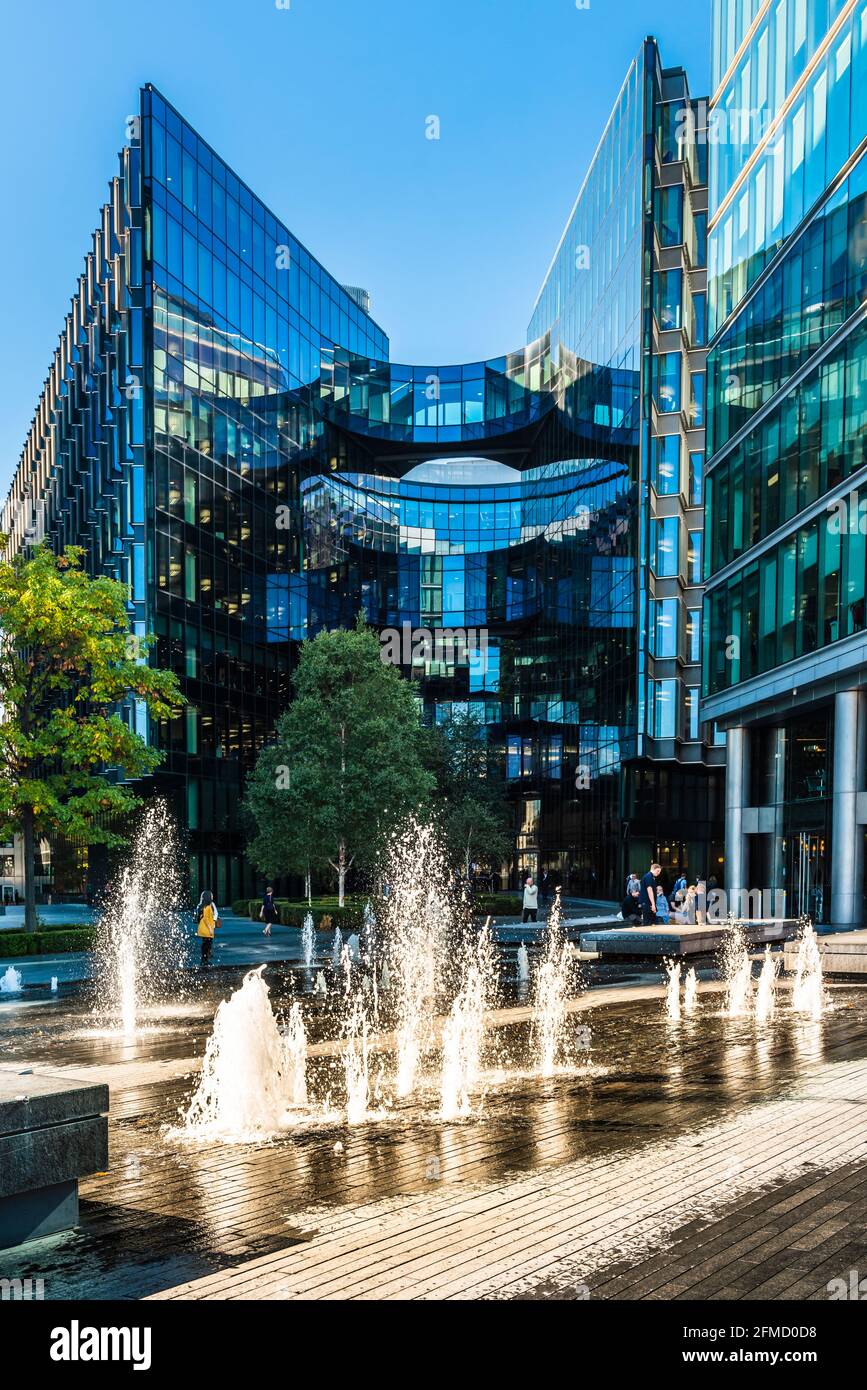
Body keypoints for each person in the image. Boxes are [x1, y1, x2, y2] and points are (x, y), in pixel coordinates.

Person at [196, 889, 219, 966]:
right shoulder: (208, 906)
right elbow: (206, 918)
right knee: (207, 944)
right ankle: (205, 960)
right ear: (208, 897)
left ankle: (205, 959)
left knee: (205, 944)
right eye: (211, 895)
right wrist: (210, 929)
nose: (212, 896)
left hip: (202, 927)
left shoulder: (201, 905)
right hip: (207, 927)